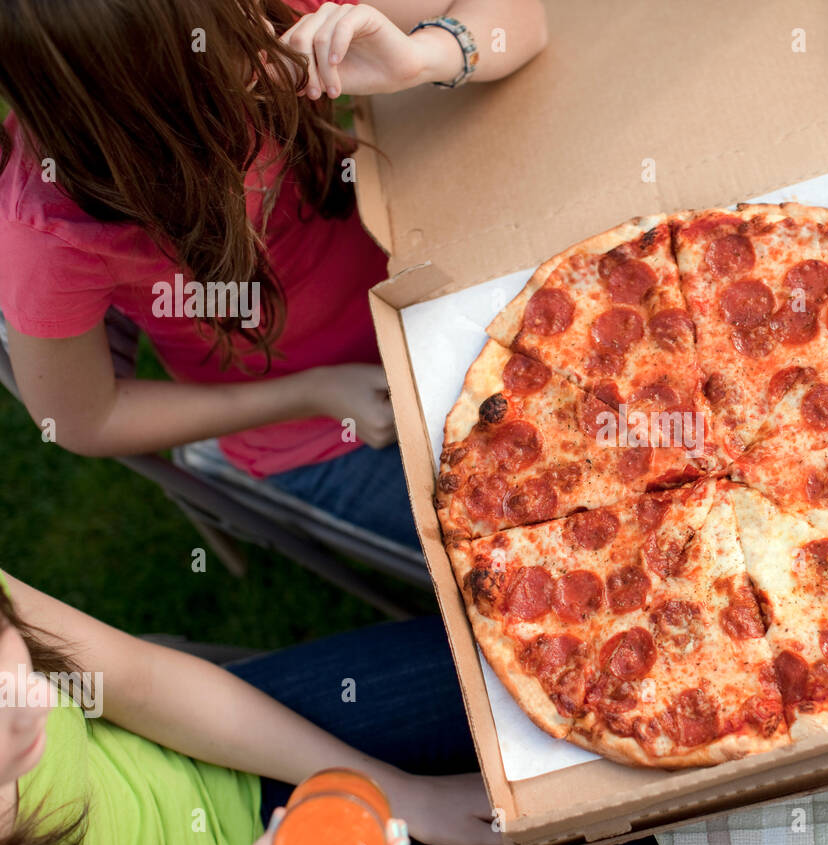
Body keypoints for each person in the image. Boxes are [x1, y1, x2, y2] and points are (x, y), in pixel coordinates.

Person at [0, 0, 549, 552]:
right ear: (143, 95)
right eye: (229, 43)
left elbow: (519, 19)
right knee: (524, 537)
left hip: (444, 296)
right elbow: (84, 419)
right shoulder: (47, 235)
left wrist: (422, 57)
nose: (266, 32)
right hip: (331, 425)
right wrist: (312, 395)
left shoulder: (245, 11)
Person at [0, 570, 667, 845]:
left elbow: (141, 685)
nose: (28, 696)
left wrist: (404, 792)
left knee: (564, 665)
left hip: (219, 758)